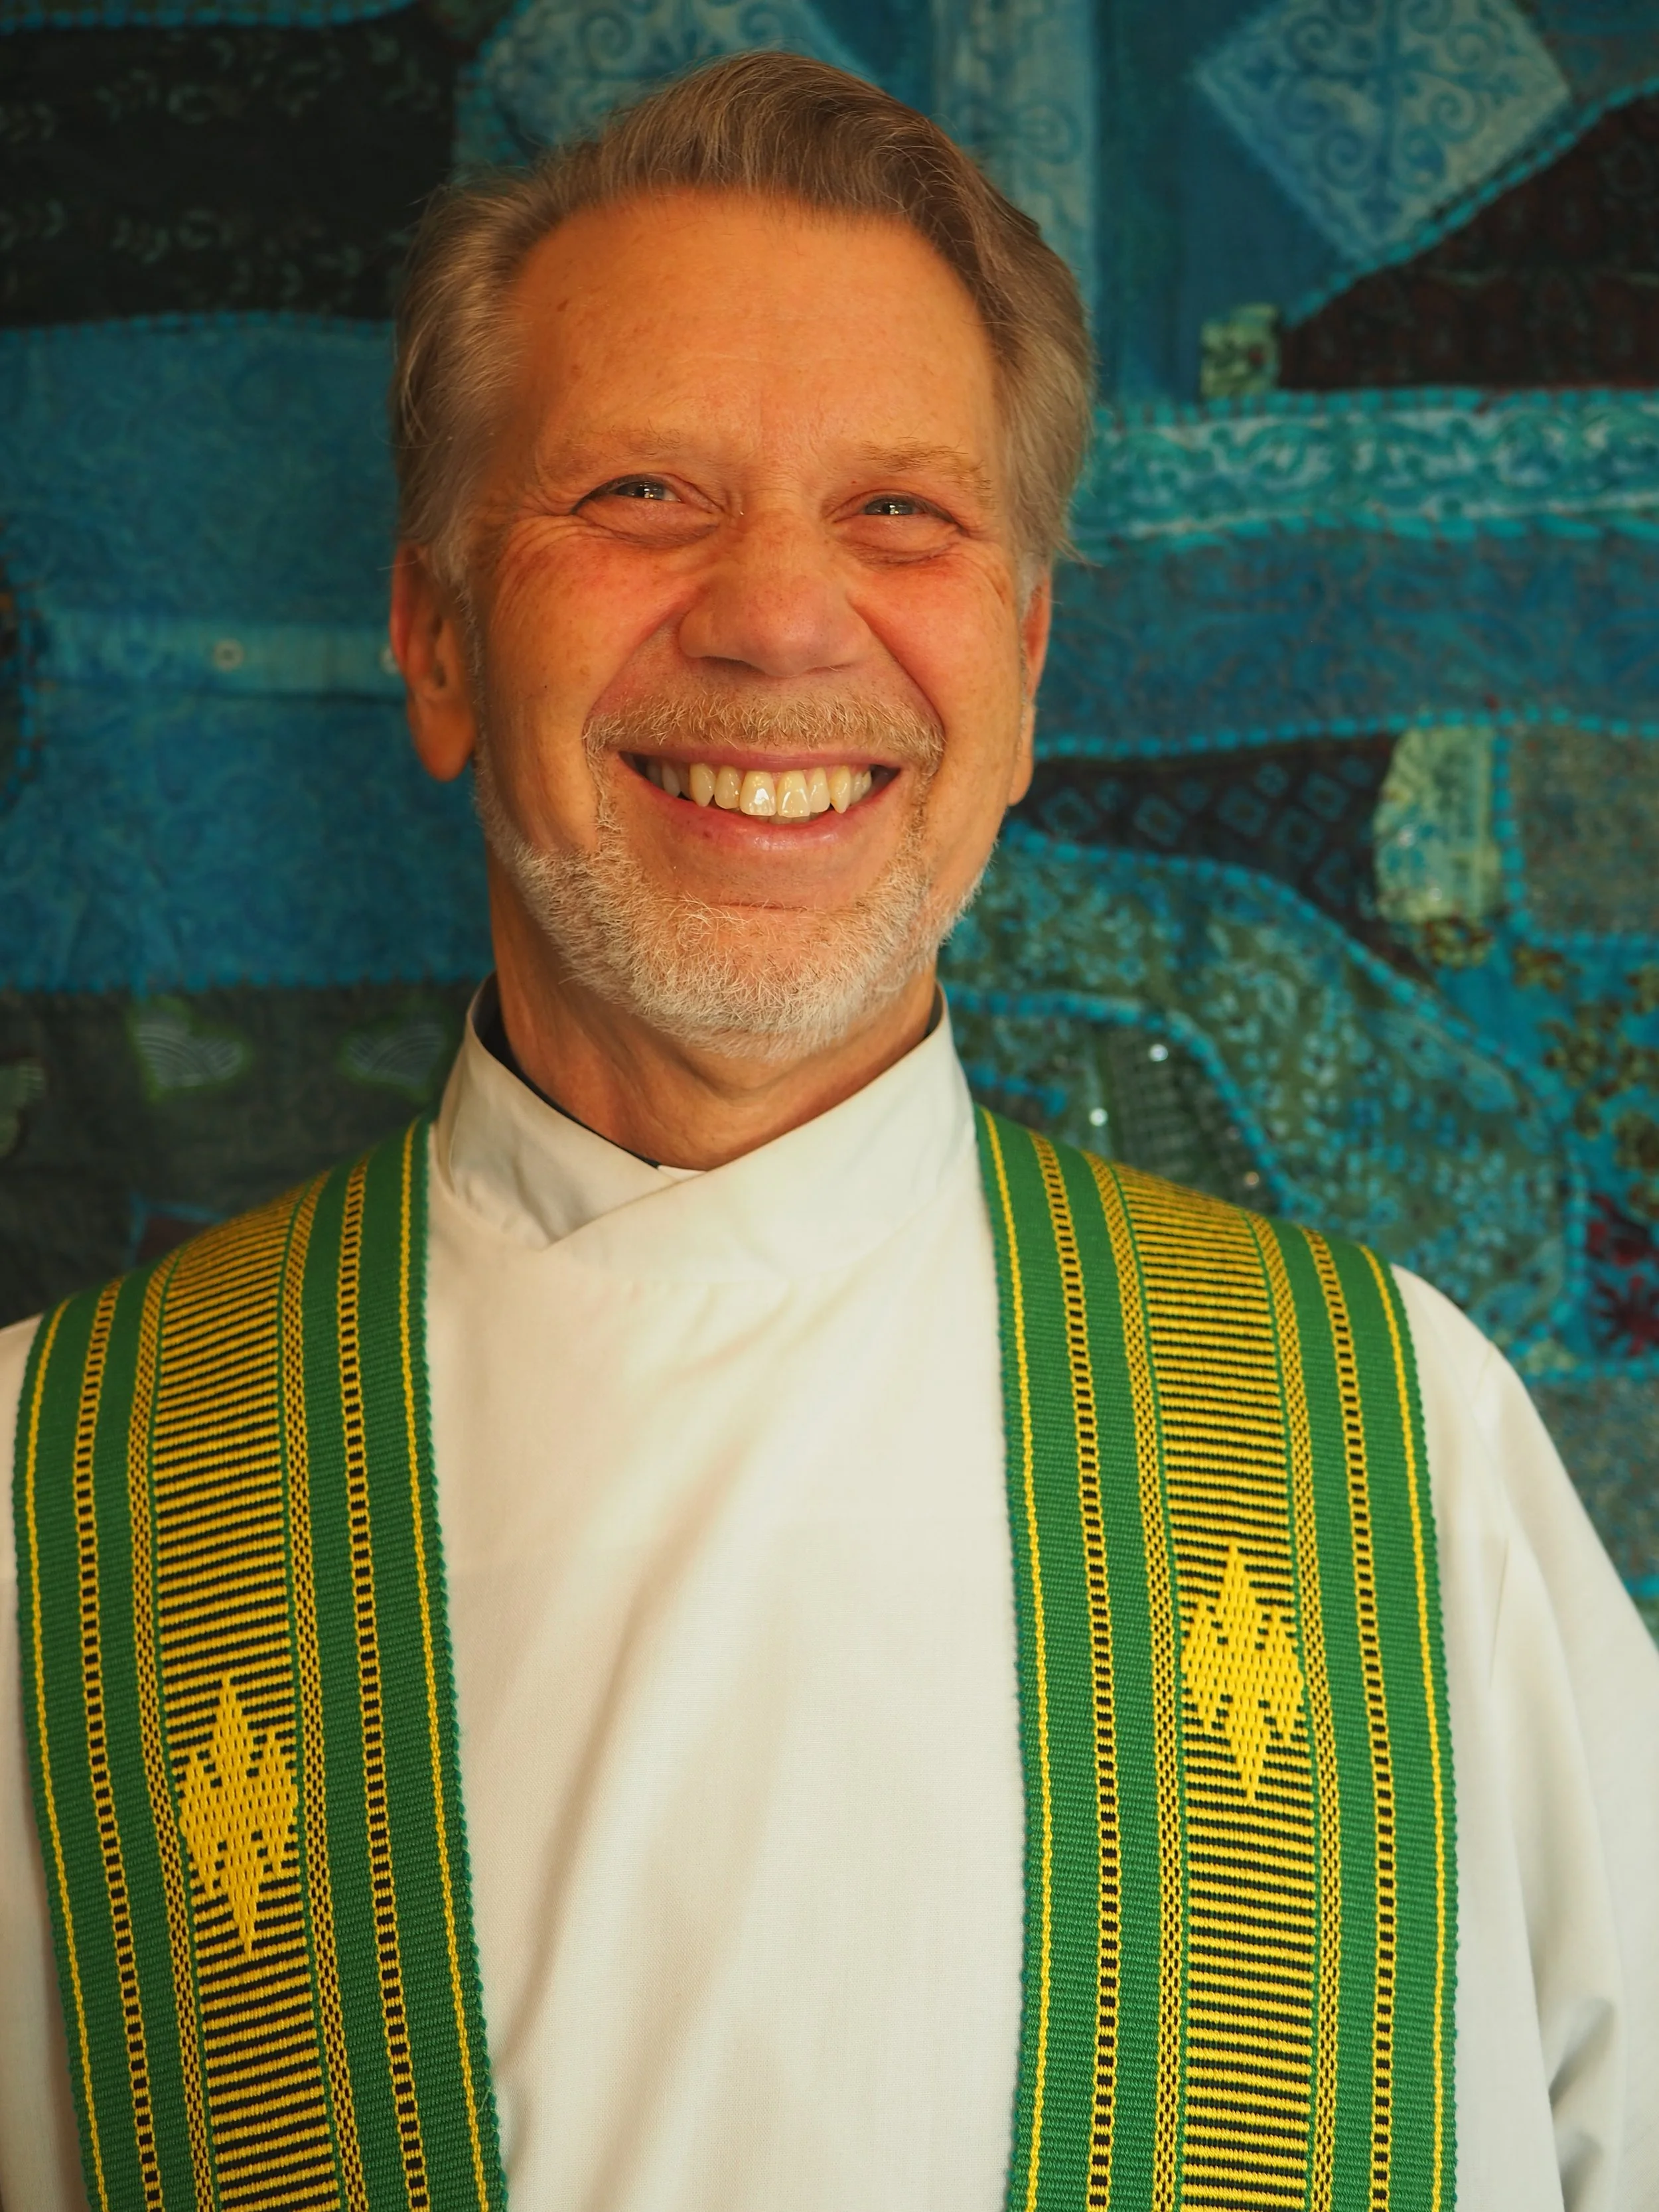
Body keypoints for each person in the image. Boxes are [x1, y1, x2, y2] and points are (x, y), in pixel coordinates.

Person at [3, 52, 1656, 2212]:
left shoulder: (1399, 1461)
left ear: (1024, 662)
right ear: (435, 639)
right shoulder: (52, 1505)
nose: (779, 615)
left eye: (900, 513)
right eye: (640, 493)